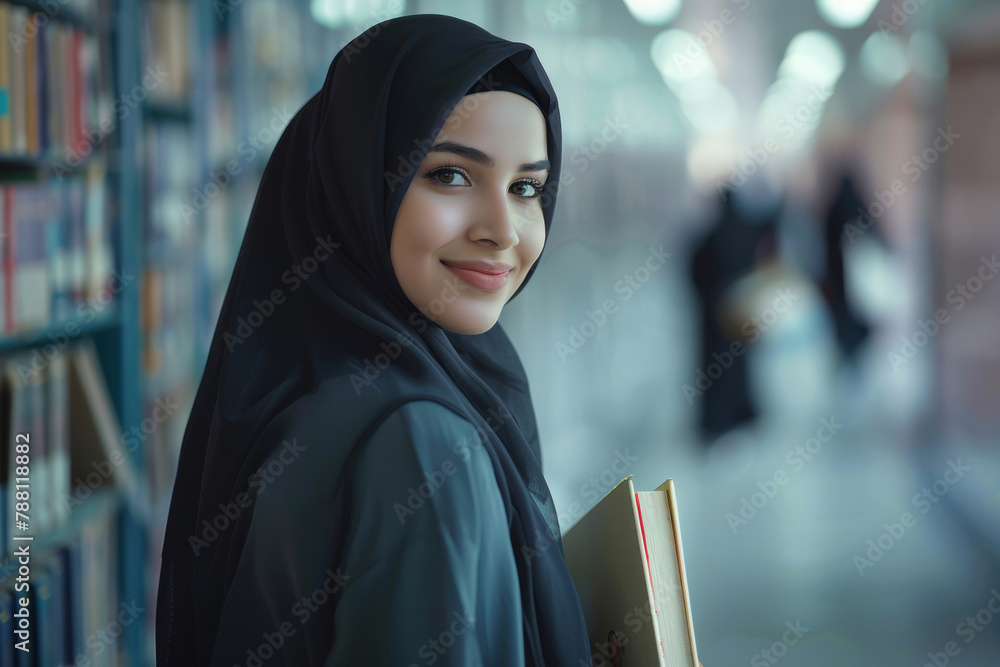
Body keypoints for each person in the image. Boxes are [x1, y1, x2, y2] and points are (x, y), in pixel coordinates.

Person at [154, 14, 593, 666]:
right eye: (450, 175)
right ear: (353, 187)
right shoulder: (423, 444)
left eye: (526, 187)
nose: (503, 229)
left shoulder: (300, 402)